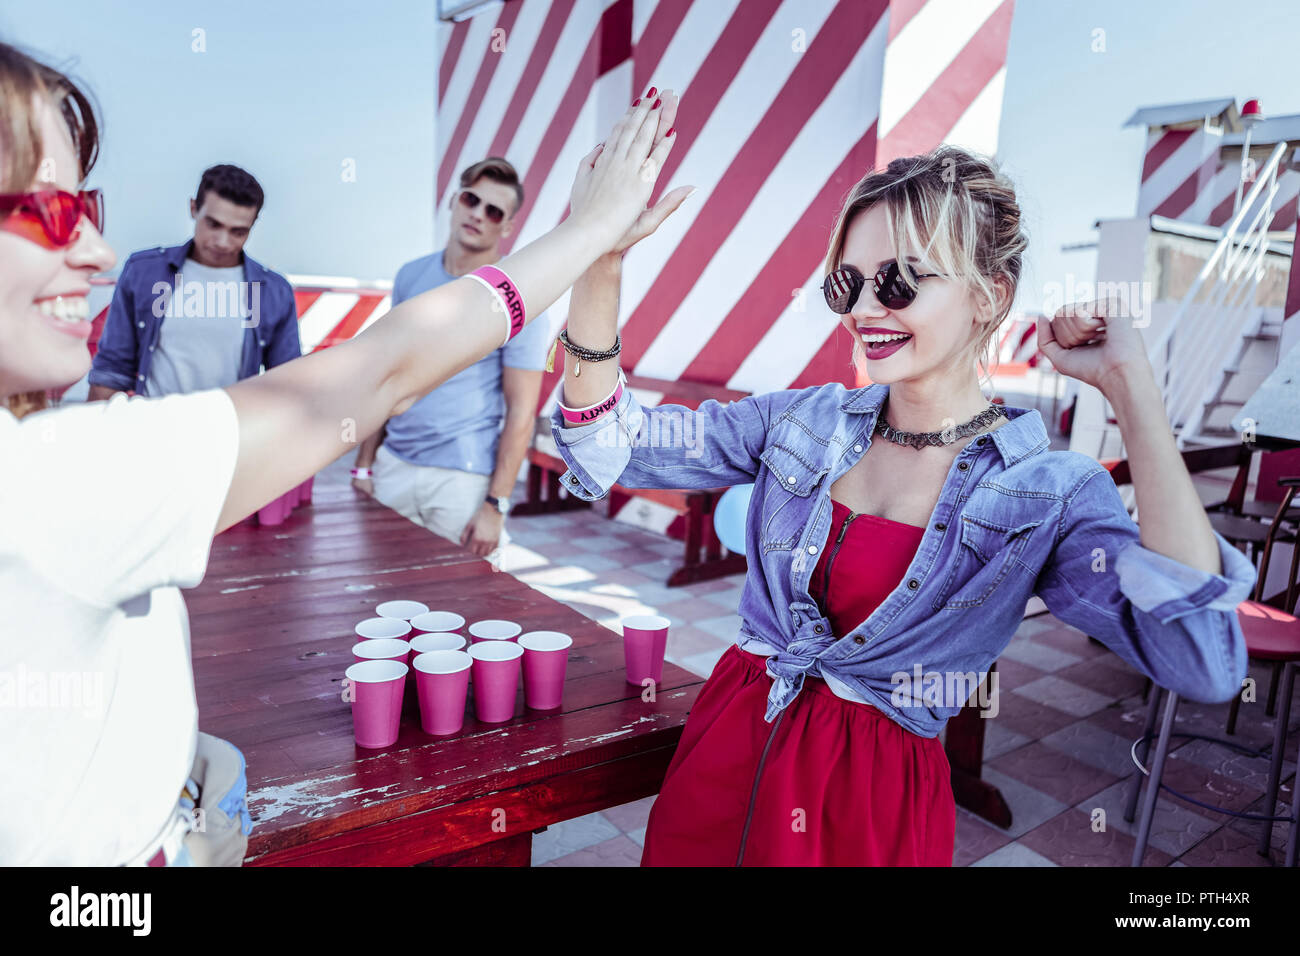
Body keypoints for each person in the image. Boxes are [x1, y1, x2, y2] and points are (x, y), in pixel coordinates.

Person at [0, 42, 683, 865]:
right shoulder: (48, 485)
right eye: (47, 212)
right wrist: (593, 234)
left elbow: (422, 387)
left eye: (90, 209)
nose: (97, 254)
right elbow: (381, 372)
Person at [551, 100, 1257, 866]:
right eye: (845, 283)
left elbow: (1203, 661)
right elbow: (603, 448)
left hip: (868, 807)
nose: (860, 309)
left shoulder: (1046, 493)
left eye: (898, 282)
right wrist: (600, 259)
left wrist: (1131, 389)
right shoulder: (801, 422)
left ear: (989, 294)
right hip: (729, 754)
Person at [351, 158, 552, 565]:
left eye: (493, 210)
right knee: (381, 597)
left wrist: (496, 506)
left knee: (466, 607)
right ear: (455, 201)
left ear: (507, 226)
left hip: (463, 478)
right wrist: (364, 466)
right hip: (395, 465)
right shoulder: (410, 276)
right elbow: (386, 377)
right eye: (471, 199)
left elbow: (521, 413)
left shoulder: (520, 299)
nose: (478, 213)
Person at [86, 164, 300, 400]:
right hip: (153, 428)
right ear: (193, 208)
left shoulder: (273, 292)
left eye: (238, 231)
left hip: (230, 431)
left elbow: (286, 387)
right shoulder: (144, 272)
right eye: (213, 224)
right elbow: (112, 370)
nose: (222, 241)